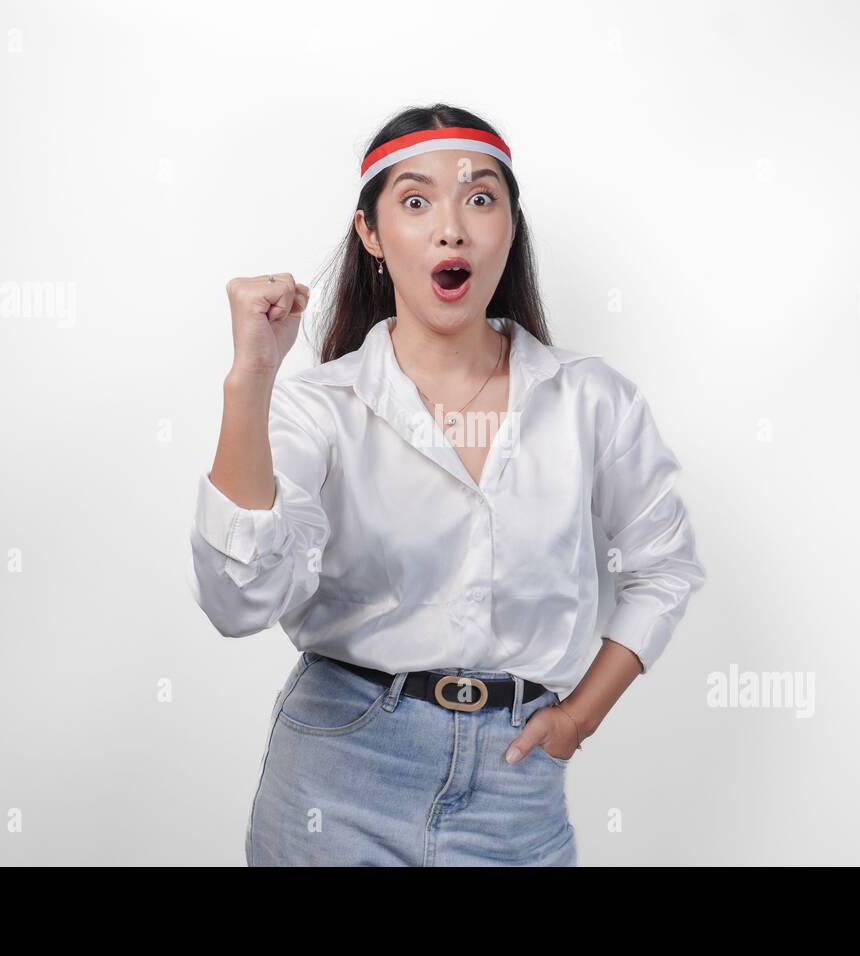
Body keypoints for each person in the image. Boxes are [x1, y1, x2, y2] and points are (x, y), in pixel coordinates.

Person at [188, 103, 708, 866]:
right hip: (340, 778)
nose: (451, 228)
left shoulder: (592, 401)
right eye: (415, 199)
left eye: (480, 197)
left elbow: (664, 567)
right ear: (371, 234)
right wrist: (251, 379)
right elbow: (237, 603)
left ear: (510, 225)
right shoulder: (316, 409)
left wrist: (578, 720)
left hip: (516, 792)